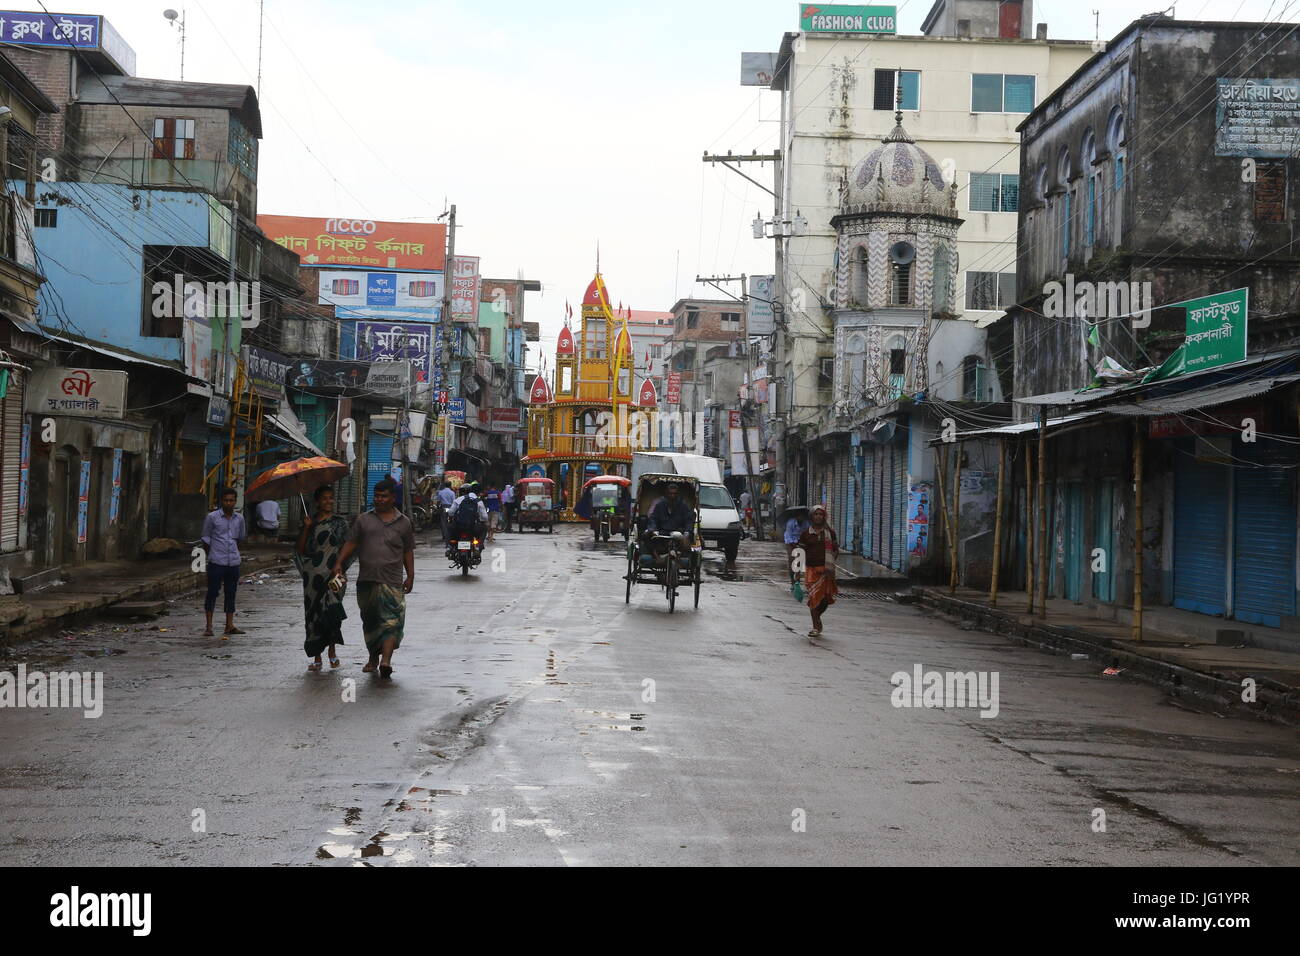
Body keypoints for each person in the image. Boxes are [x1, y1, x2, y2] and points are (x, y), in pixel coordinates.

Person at [333, 478, 415, 679]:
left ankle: (386, 661)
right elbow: (351, 543)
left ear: (392, 498)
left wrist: (410, 575)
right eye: (377, 496)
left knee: (391, 622)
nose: (379, 500)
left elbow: (408, 552)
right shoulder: (363, 520)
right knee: (370, 622)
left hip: (392, 581)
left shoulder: (404, 523)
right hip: (367, 580)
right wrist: (338, 563)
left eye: (384, 496)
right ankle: (373, 658)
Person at [295, 485, 348, 671]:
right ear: (317, 502)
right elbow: (301, 550)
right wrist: (306, 528)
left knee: (331, 614)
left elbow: (348, 549)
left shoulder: (340, 523)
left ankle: (332, 652)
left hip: (334, 576)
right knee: (313, 616)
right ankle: (317, 657)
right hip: (313, 578)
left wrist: (340, 568)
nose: (328, 502)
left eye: (331, 498)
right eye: (324, 498)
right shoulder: (310, 523)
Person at [201, 486, 246, 638]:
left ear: (235, 502)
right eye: (226, 500)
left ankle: (229, 625)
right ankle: (209, 626)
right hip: (216, 561)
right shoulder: (212, 517)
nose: (229, 503)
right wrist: (212, 553)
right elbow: (205, 538)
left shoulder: (239, 518)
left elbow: (240, 538)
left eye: (231, 500)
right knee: (212, 593)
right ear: (221, 501)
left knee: (231, 593)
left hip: (233, 562)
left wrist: (233, 551)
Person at [798, 505, 838, 639]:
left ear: (824, 516)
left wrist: (831, 561)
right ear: (811, 517)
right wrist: (797, 571)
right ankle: (816, 626)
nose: (818, 516)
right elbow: (800, 553)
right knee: (814, 598)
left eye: (821, 514)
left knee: (825, 599)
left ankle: (817, 617)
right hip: (811, 570)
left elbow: (835, 549)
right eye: (816, 514)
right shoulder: (806, 534)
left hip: (826, 571)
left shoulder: (830, 533)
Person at [784, 509, 810, 583]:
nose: (801, 518)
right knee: (792, 559)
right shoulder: (790, 523)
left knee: (800, 560)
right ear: (796, 516)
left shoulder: (806, 523)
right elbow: (788, 535)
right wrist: (793, 543)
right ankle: (792, 579)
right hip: (790, 541)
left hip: (800, 541)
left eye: (802, 516)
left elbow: (807, 533)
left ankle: (797, 578)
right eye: (799, 516)